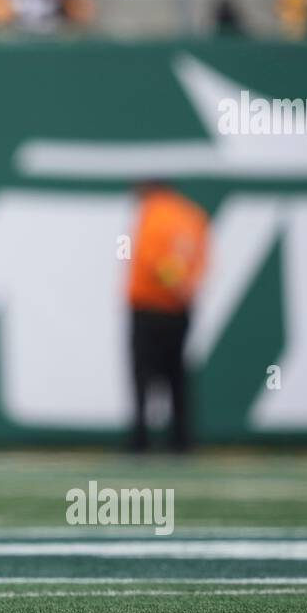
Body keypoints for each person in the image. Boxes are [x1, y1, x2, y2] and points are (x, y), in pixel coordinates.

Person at [127, 180, 208, 454]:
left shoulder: (152, 214)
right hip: (181, 307)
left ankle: (140, 440)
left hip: (149, 305)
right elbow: (202, 257)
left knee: (143, 374)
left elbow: (152, 259)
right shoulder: (191, 214)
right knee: (177, 373)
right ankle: (181, 439)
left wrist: (173, 282)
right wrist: (186, 286)